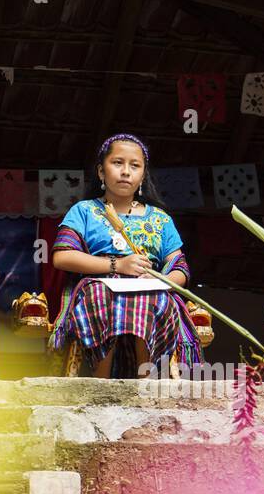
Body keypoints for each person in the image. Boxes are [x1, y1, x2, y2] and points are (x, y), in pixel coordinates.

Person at [49, 134, 202, 378]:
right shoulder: (84, 211)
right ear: (101, 172)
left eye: (135, 165)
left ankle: (146, 382)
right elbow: (62, 257)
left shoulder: (160, 219)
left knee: (154, 298)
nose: (126, 172)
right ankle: (102, 383)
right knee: (100, 295)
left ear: (143, 175)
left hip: (149, 286)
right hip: (99, 285)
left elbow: (180, 267)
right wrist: (117, 264)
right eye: (117, 163)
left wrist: (160, 281)